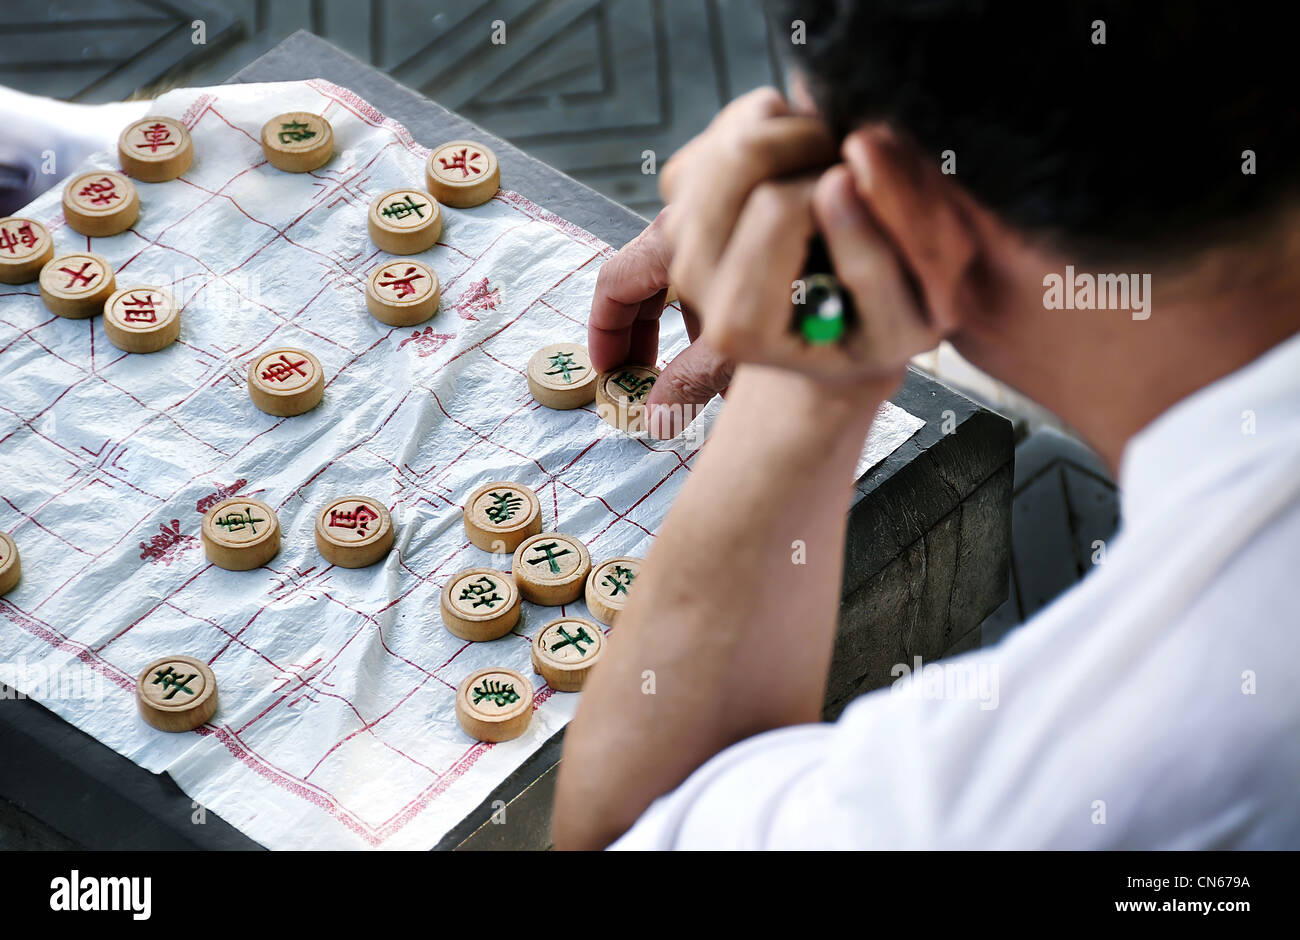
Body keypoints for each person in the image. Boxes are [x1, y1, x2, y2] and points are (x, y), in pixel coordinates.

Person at [553, 0, 1300, 849]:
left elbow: (632, 822)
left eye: (819, 157)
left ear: (895, 213)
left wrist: (809, 352)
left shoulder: (1076, 780)